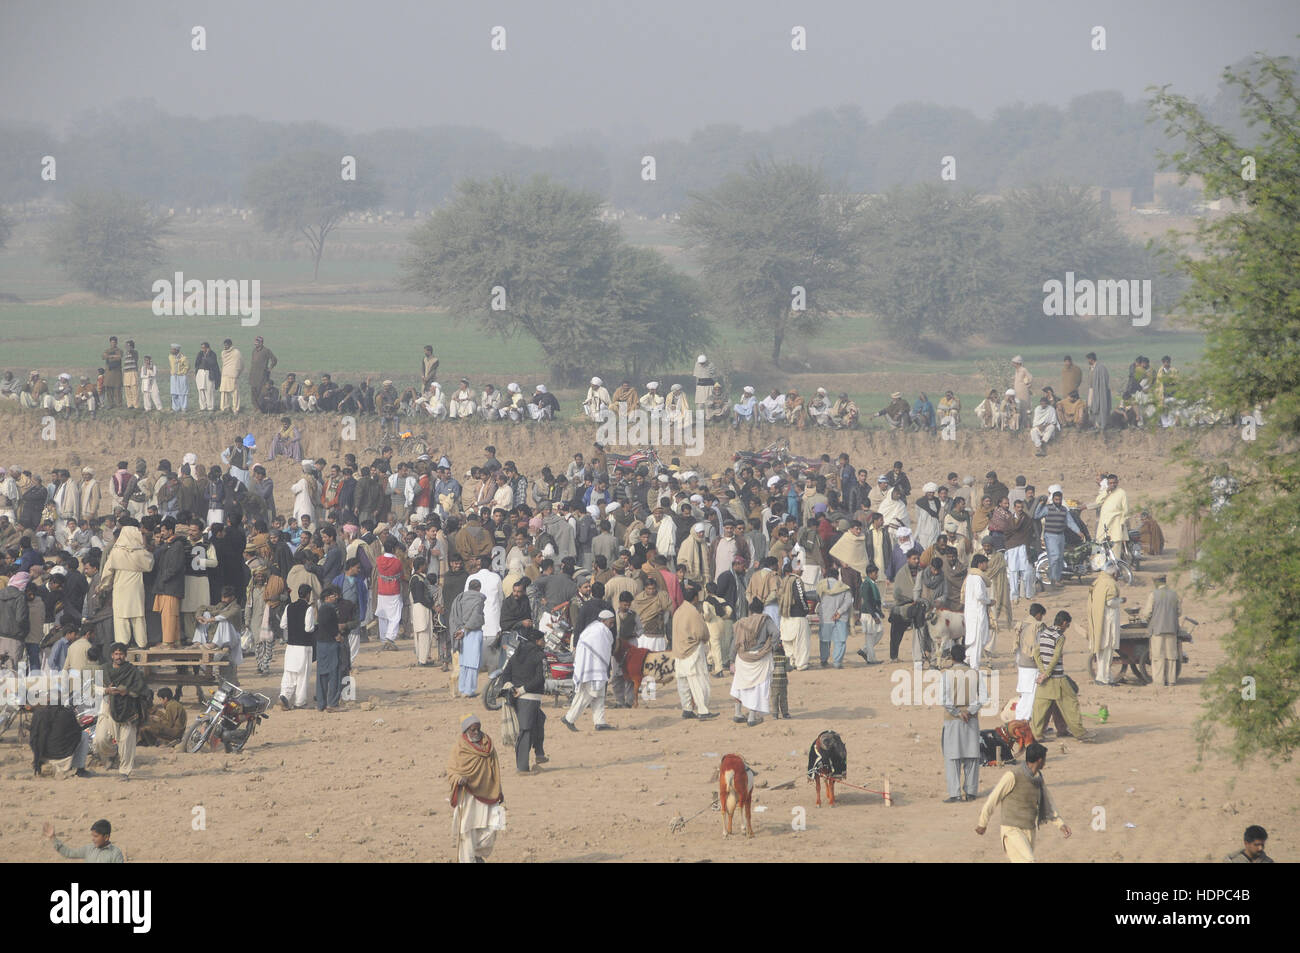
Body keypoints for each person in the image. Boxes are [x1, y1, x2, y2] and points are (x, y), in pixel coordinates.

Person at [975, 742, 1071, 862]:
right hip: (1011, 830)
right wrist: (982, 823)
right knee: (1029, 860)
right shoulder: (1012, 776)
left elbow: (1047, 802)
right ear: (1040, 760)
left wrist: (1060, 824)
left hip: (1029, 829)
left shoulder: (1038, 779)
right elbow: (993, 799)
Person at [447, 714, 505, 863]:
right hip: (469, 794)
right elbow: (452, 770)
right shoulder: (460, 747)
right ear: (466, 730)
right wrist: (459, 779)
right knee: (468, 830)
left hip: (489, 791)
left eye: (478, 729)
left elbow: (495, 768)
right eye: (472, 730)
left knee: (493, 827)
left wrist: (499, 788)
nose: (476, 733)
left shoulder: (488, 744)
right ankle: (468, 860)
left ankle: (478, 854)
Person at [1029, 611, 1095, 743]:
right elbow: (1056, 657)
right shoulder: (1059, 637)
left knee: (1039, 709)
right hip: (1057, 678)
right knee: (1071, 704)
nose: (1067, 628)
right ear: (1064, 623)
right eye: (1068, 626)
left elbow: (1036, 653)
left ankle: (1036, 735)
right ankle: (1080, 733)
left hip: (1044, 679)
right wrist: (1047, 673)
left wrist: (1043, 672)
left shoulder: (1043, 632)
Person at [500, 625, 548, 772]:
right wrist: (522, 690)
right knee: (526, 731)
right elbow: (539, 679)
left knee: (540, 718)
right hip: (529, 698)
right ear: (537, 641)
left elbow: (505, 675)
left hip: (518, 698)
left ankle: (539, 753)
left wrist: (513, 688)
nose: (544, 643)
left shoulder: (516, 655)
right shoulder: (538, 655)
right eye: (542, 640)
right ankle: (522, 768)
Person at [94, 643, 146, 780]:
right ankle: (112, 753)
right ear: (112, 655)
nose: (119, 657)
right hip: (107, 709)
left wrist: (126, 691)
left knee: (127, 742)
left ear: (125, 655)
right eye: (116, 654)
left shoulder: (132, 671)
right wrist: (106, 690)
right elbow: (93, 689)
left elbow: (142, 689)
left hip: (128, 710)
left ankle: (124, 771)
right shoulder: (103, 670)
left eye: (121, 654)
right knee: (100, 740)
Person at [941, 644, 986, 802]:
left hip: (953, 720)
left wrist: (959, 713)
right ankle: (971, 792)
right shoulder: (975, 674)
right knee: (971, 756)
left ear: (952, 658)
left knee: (952, 757)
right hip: (971, 720)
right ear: (964, 657)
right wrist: (969, 711)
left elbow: (945, 700)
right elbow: (983, 698)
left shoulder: (947, 675)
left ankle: (955, 794)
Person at [562, 609, 616, 731]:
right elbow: (602, 650)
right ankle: (569, 718)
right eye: (610, 622)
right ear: (603, 620)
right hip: (592, 669)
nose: (612, 626)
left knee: (599, 695)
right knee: (589, 695)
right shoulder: (600, 631)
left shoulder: (592, 629)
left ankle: (600, 722)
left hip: (593, 668)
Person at [672, 582, 716, 721]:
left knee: (683, 682)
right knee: (698, 680)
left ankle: (687, 709)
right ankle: (703, 710)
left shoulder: (678, 611)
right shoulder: (693, 612)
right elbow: (702, 633)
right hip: (692, 650)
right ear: (695, 598)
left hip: (679, 651)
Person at [730, 599, 777, 726]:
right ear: (762, 610)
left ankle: (737, 713)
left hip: (742, 658)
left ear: (750, 610)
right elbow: (776, 633)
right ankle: (752, 717)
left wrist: (731, 660)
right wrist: (771, 646)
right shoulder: (765, 620)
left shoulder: (742, 622)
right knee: (756, 688)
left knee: (739, 685)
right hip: (760, 658)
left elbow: (735, 643)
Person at [29, 700, 94, 778]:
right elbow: (76, 733)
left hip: (42, 756)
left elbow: (33, 738)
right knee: (84, 735)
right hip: (63, 756)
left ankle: (42, 765)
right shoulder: (67, 713)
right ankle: (80, 769)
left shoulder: (38, 713)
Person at [279, 584, 316, 710]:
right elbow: (309, 628)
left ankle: (284, 695)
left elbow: (283, 625)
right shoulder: (308, 608)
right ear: (308, 595)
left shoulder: (289, 607)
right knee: (302, 675)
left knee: (289, 673)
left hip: (291, 647)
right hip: (304, 646)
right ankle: (300, 702)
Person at [1142, 575, 1182, 687]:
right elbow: (1179, 612)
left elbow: (1147, 613)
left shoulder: (1153, 595)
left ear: (1156, 583)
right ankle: (1171, 680)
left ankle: (1159, 681)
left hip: (1157, 630)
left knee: (1157, 656)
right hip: (1172, 629)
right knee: (1171, 656)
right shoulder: (1174, 594)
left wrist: (1146, 619)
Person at [450, 579, 486, 697]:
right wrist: (466, 629)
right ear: (479, 588)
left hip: (460, 632)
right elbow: (476, 617)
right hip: (473, 633)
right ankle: (469, 691)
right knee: (473, 663)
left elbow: (455, 616)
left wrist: (461, 630)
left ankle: (462, 688)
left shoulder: (459, 598)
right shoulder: (479, 599)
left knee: (464, 662)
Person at [1087, 567, 1123, 685]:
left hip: (1098, 621)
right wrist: (1121, 600)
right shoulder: (1110, 583)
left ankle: (1104, 677)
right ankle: (1104, 678)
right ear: (1113, 573)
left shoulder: (1098, 581)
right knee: (1107, 651)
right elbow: (1110, 602)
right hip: (1108, 622)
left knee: (1101, 651)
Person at [314, 586, 346, 712]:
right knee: (334, 674)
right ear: (327, 598)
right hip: (330, 644)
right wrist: (336, 635)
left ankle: (321, 704)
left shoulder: (321, 608)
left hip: (321, 644)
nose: (336, 597)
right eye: (333, 595)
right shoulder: (330, 609)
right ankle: (332, 703)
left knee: (322, 674)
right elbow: (327, 623)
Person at [815, 567, 853, 668]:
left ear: (827, 576)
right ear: (837, 576)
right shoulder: (844, 587)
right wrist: (839, 612)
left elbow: (817, 598)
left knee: (824, 640)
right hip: (840, 618)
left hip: (825, 617)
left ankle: (824, 660)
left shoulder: (820, 586)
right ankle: (837, 662)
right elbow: (848, 601)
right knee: (840, 640)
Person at [44, 819, 125, 863]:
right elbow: (69, 853)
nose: (93, 839)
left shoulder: (115, 853)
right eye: (92, 836)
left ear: (106, 837)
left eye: (96, 836)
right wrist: (53, 838)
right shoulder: (89, 849)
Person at [963, 555, 993, 669]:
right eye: (985, 563)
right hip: (976, 614)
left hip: (972, 613)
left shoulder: (970, 577)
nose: (987, 565)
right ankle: (974, 667)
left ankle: (967, 659)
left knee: (977, 639)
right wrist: (989, 601)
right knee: (977, 640)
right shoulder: (977, 578)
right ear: (980, 564)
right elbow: (980, 596)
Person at [856, 564, 884, 664]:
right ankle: (871, 659)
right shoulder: (866, 585)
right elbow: (867, 601)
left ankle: (864, 650)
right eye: (875, 573)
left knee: (879, 632)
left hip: (872, 612)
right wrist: (874, 615)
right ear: (869, 574)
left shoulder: (871, 583)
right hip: (868, 614)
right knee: (870, 637)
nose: (877, 575)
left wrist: (879, 612)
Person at [1086, 352, 1111, 431]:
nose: (1087, 361)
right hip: (1092, 390)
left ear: (1091, 359)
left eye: (1088, 359)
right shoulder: (1092, 368)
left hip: (1100, 391)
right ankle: (1094, 424)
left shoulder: (1100, 367)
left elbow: (1104, 380)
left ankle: (1100, 424)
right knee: (1091, 406)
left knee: (1100, 406)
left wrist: (1100, 390)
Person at [218, 339, 243, 413]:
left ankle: (235, 409)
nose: (225, 346)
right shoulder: (223, 353)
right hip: (225, 374)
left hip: (233, 375)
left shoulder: (236, 353)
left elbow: (240, 364)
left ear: (230, 345)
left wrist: (237, 373)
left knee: (234, 392)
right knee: (224, 392)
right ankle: (224, 408)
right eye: (224, 345)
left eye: (227, 345)